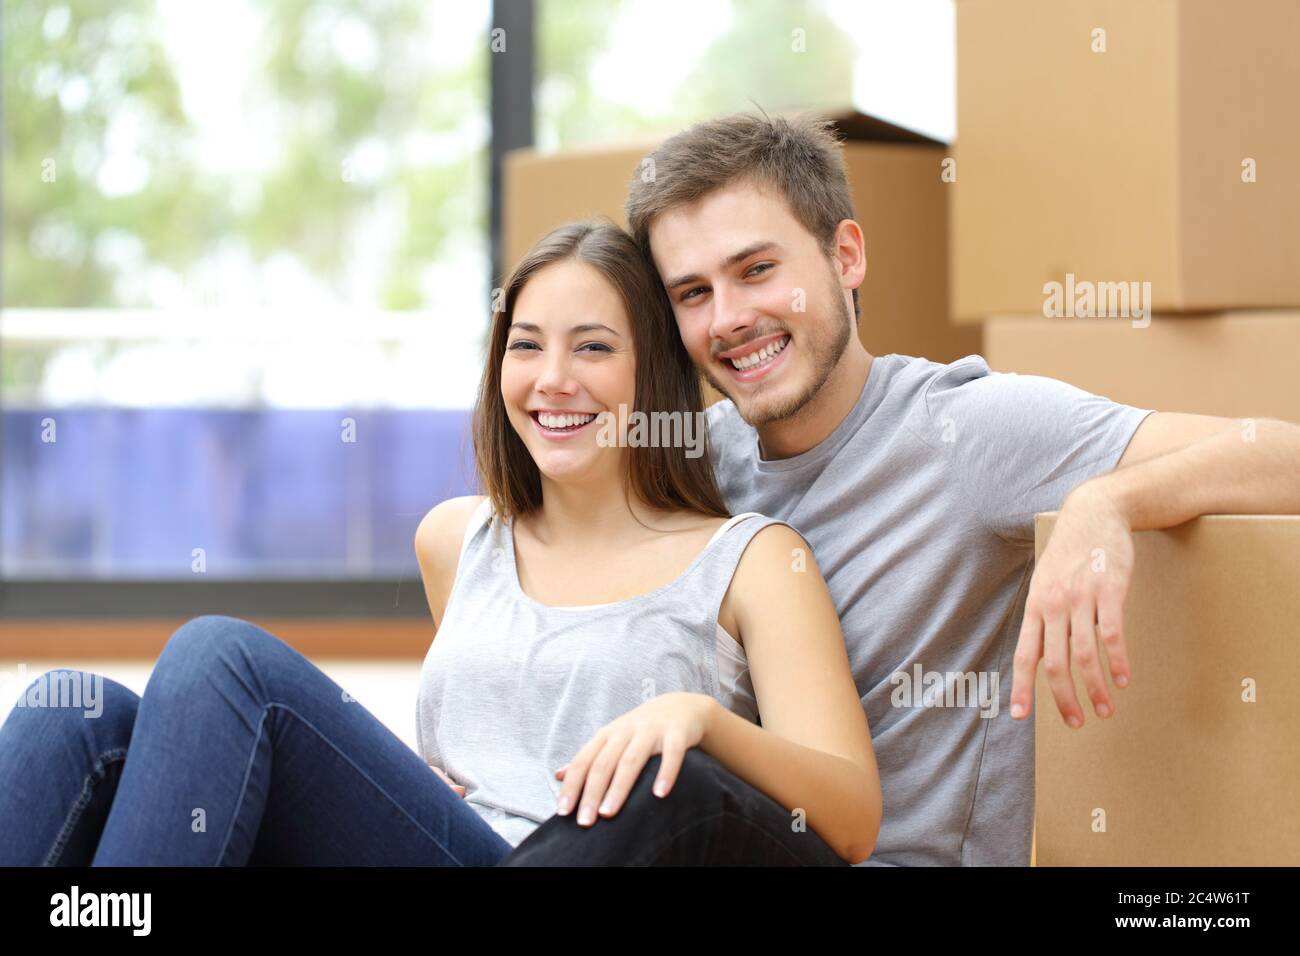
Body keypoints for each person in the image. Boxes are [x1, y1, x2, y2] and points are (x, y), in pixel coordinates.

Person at [0, 220, 880, 867]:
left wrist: (702, 721)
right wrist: (410, 788)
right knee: (67, 709)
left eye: (594, 348)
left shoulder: (753, 561)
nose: (552, 380)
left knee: (217, 659)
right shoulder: (457, 540)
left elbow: (848, 815)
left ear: (650, 370)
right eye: (525, 347)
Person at [588, 108, 1300, 867]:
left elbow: (1282, 453)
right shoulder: (700, 466)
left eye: (758, 270)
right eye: (692, 293)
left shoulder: (968, 433)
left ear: (847, 255)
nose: (729, 318)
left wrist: (1106, 502)